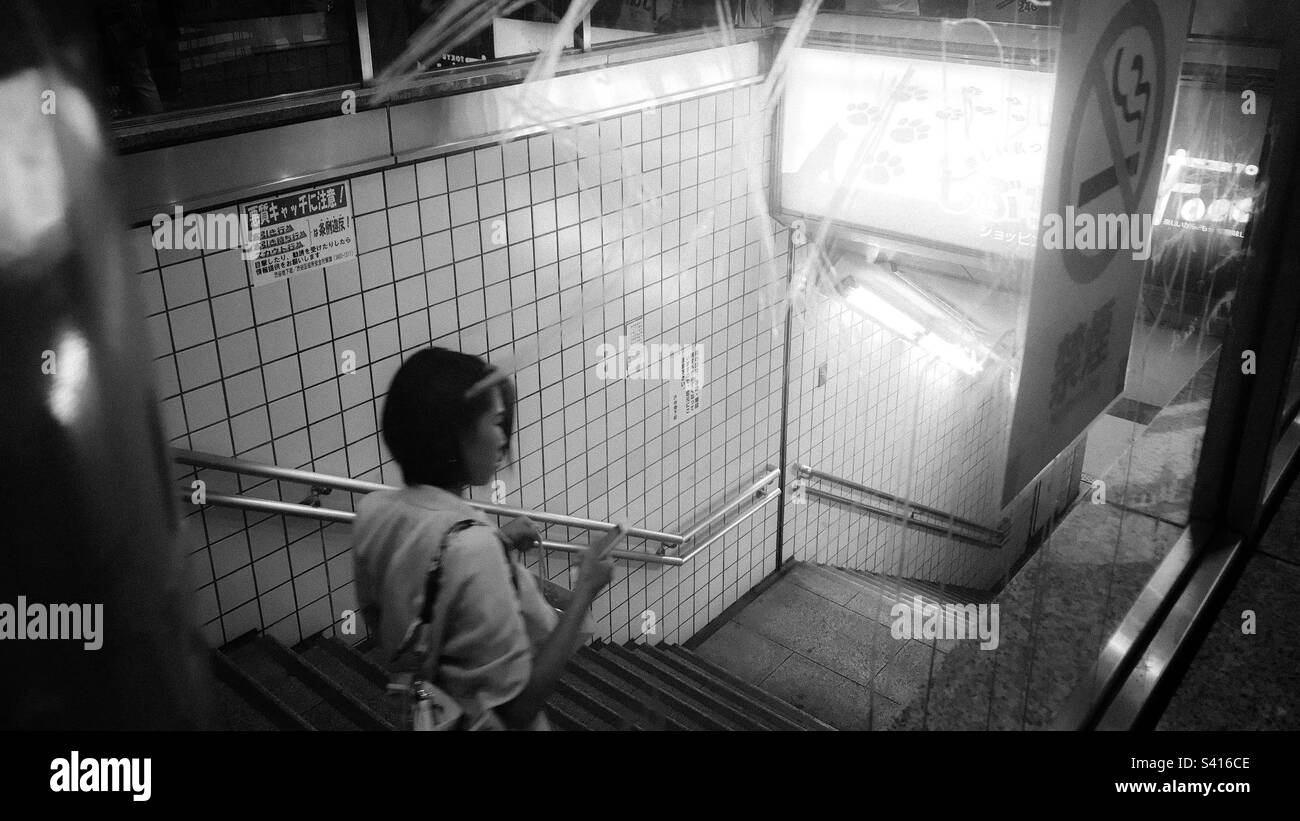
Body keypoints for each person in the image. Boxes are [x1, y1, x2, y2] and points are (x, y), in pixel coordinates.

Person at [352, 348, 615, 730]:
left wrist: (499, 545)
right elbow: (518, 708)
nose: (502, 440)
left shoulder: (374, 511)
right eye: (495, 422)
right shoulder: (474, 548)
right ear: (454, 434)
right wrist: (586, 590)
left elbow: (392, 614)